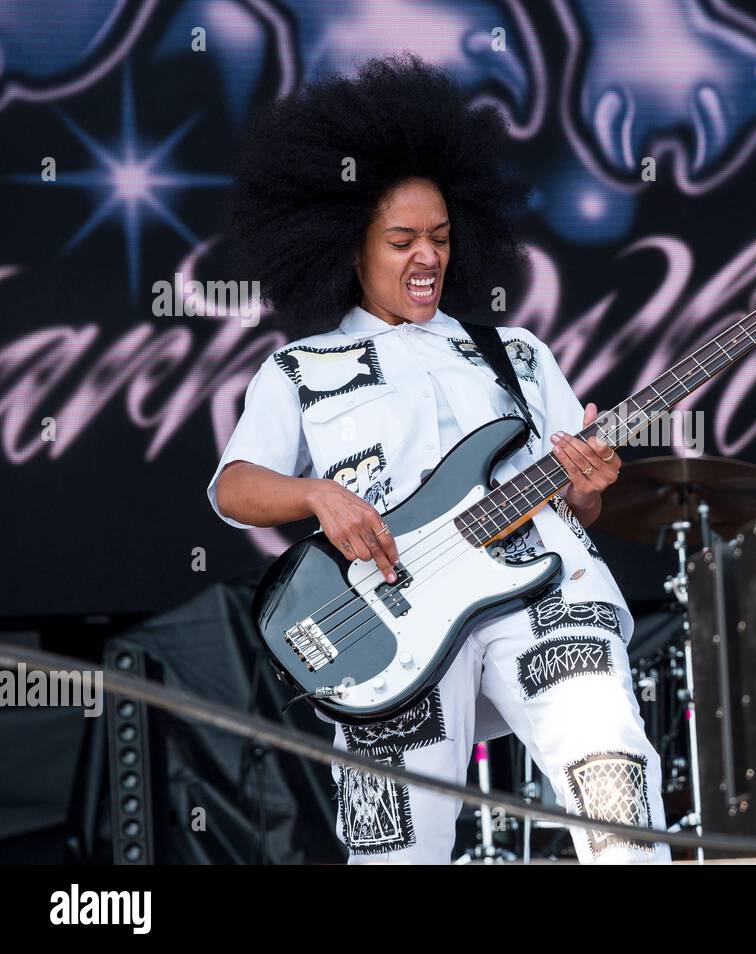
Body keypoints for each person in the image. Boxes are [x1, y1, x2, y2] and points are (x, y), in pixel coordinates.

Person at [207, 55, 669, 863]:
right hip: (393, 631)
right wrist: (319, 496)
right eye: (402, 241)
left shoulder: (515, 352)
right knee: (398, 855)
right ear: (348, 246)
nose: (429, 258)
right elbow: (234, 488)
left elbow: (581, 504)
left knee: (618, 800)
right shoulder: (300, 370)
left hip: (547, 596)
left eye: (442, 238)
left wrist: (590, 489)